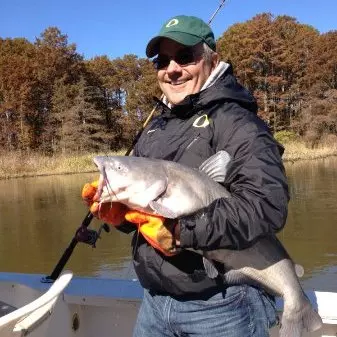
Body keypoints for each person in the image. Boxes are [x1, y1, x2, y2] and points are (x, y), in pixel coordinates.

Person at [82, 15, 289, 337]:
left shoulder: (239, 124)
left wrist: (180, 232)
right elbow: (150, 210)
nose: (172, 68)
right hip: (154, 300)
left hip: (224, 305)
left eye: (185, 56)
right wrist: (121, 215)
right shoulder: (156, 126)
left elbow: (265, 207)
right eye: (162, 60)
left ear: (213, 60)